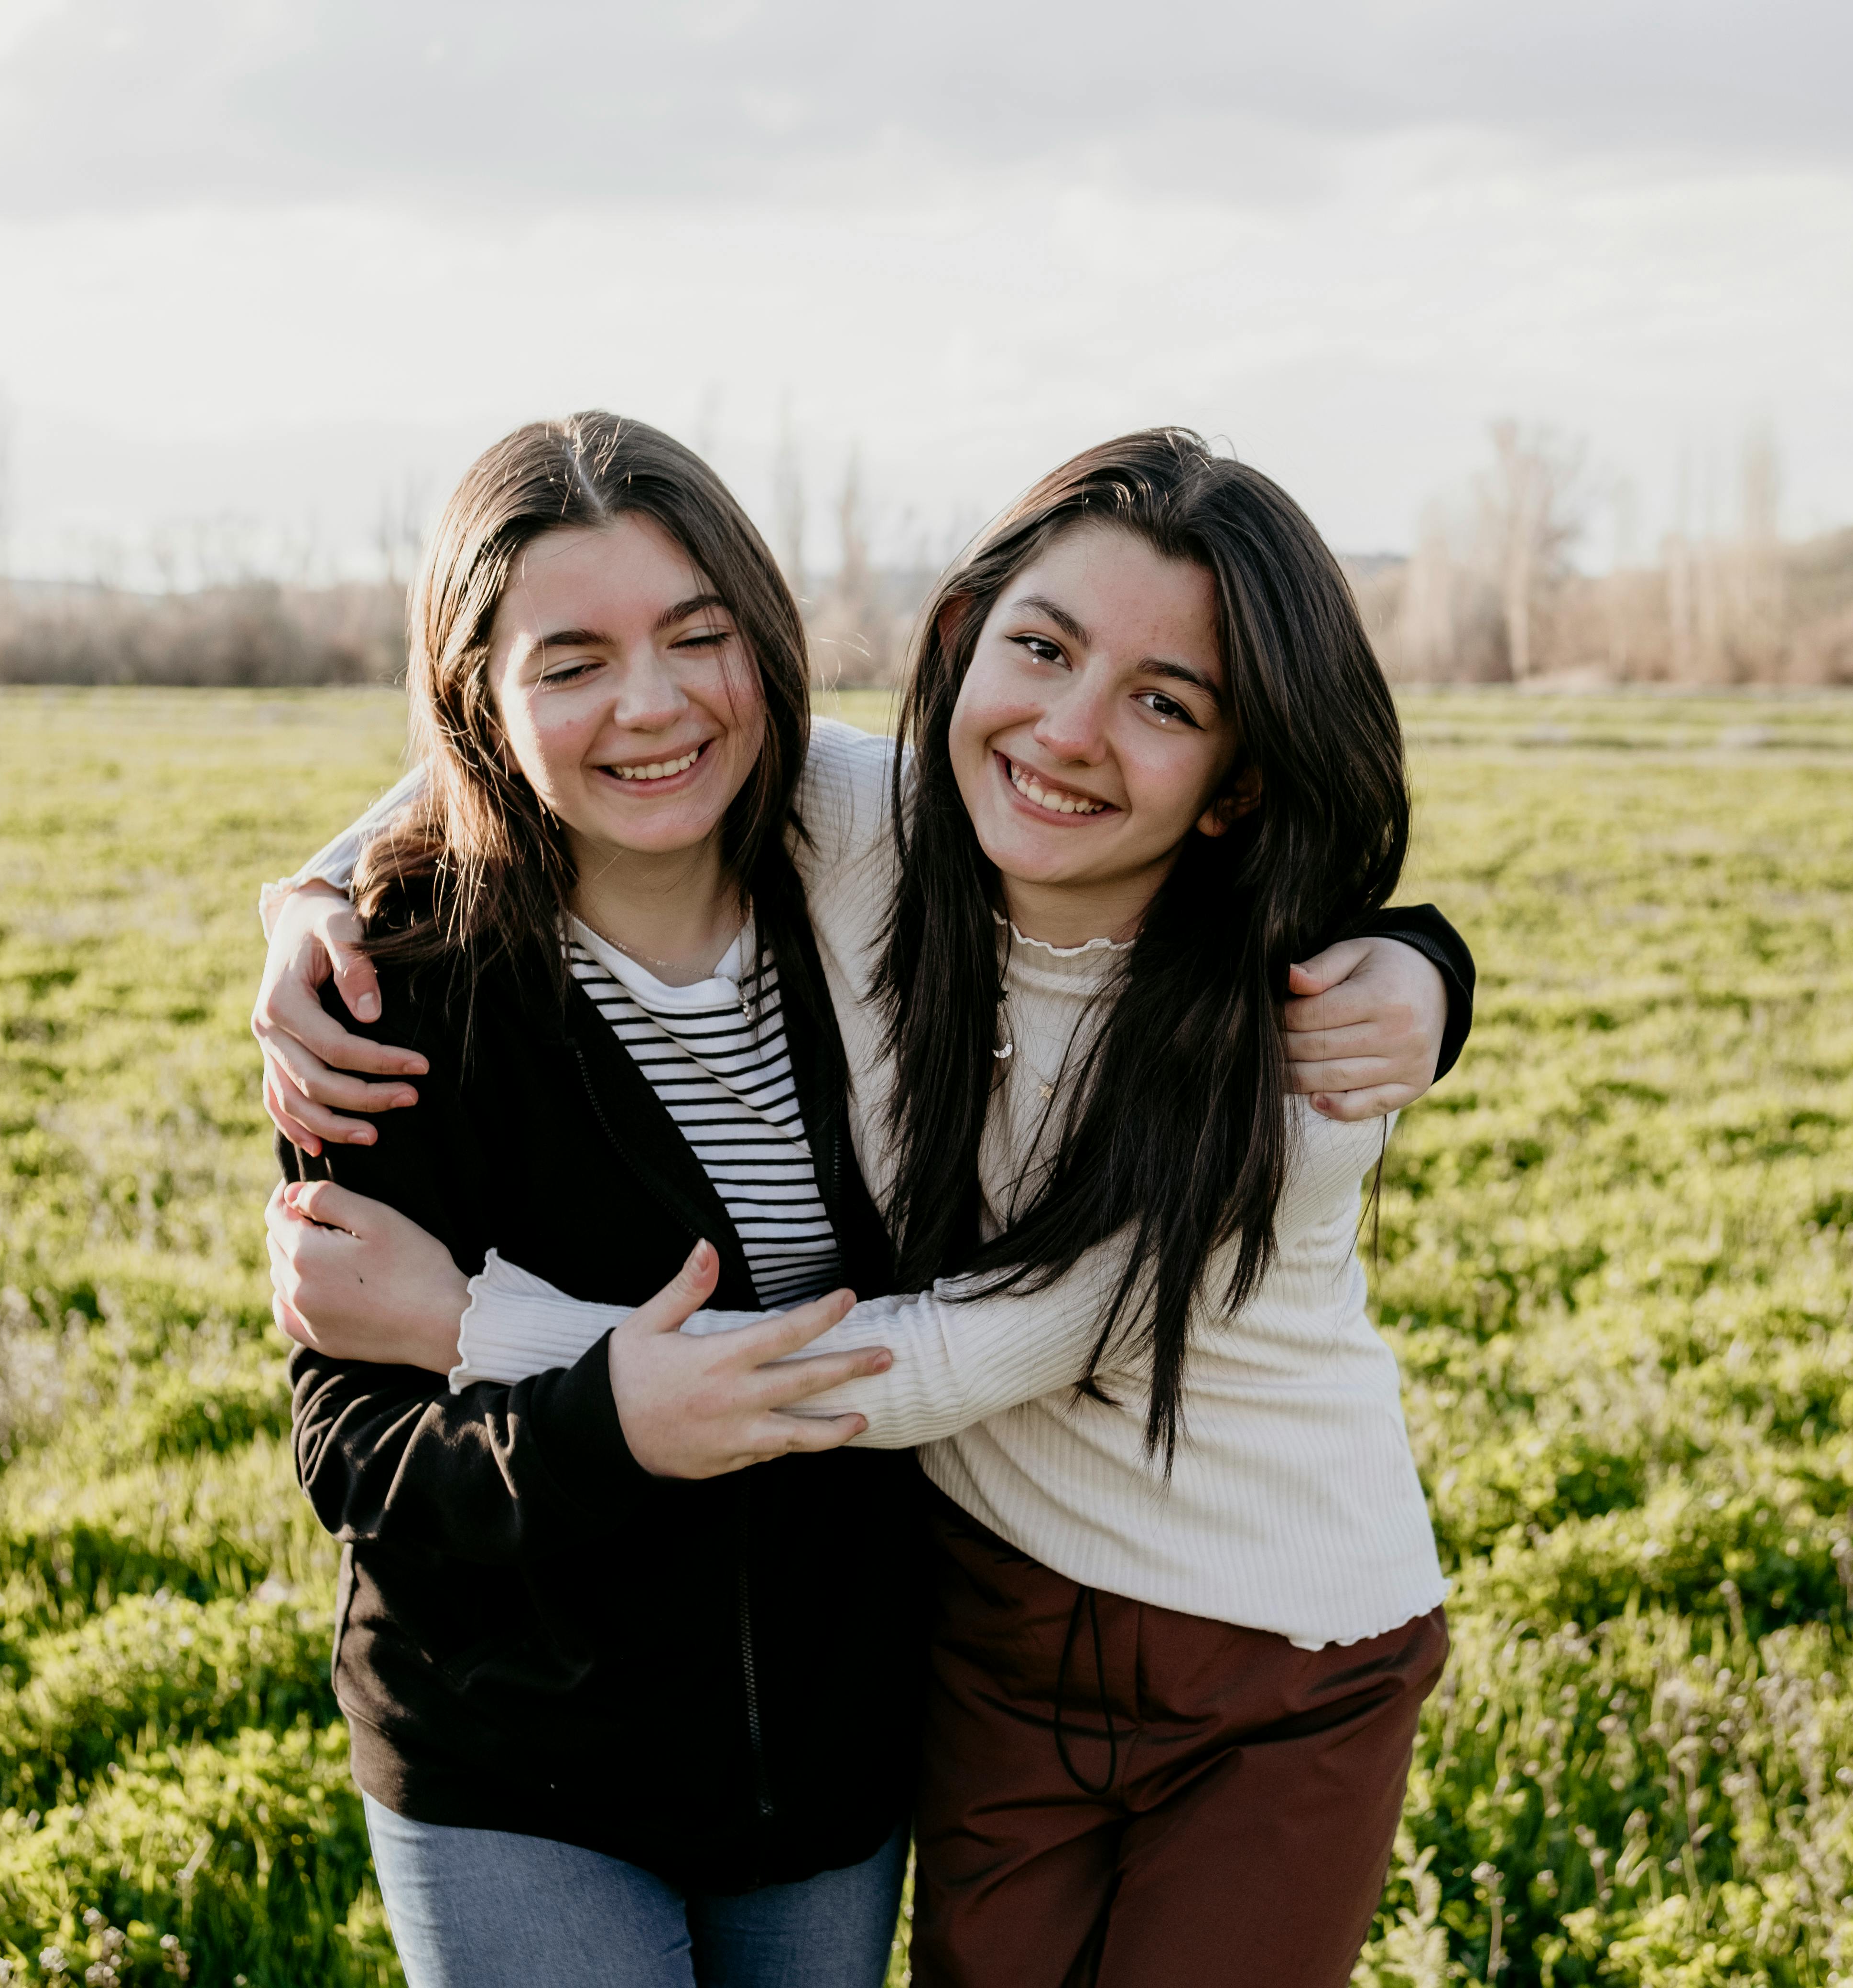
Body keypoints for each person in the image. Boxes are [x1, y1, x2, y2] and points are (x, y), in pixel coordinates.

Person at [258, 415, 1467, 1988]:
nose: (1069, 732)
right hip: (964, 1626)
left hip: (1259, 1649)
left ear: (1237, 782)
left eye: (1164, 702)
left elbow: (955, 1357)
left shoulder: (1282, 1058)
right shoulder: (877, 831)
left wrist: (481, 1323)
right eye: (1042, 650)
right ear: (964, 642)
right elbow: (538, 732)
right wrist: (304, 899)